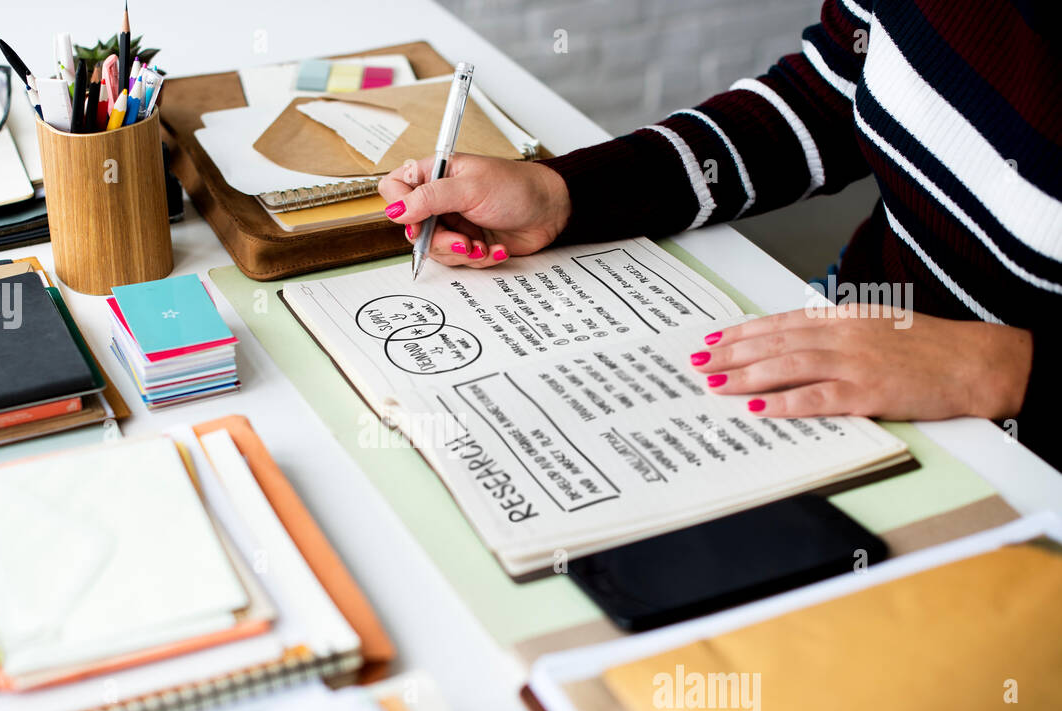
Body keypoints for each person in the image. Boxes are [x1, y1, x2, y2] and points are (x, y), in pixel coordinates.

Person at [378, 0, 1060, 468]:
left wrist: (1000, 369)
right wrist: (566, 195)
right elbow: (827, 96)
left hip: (1024, 457)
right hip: (837, 351)